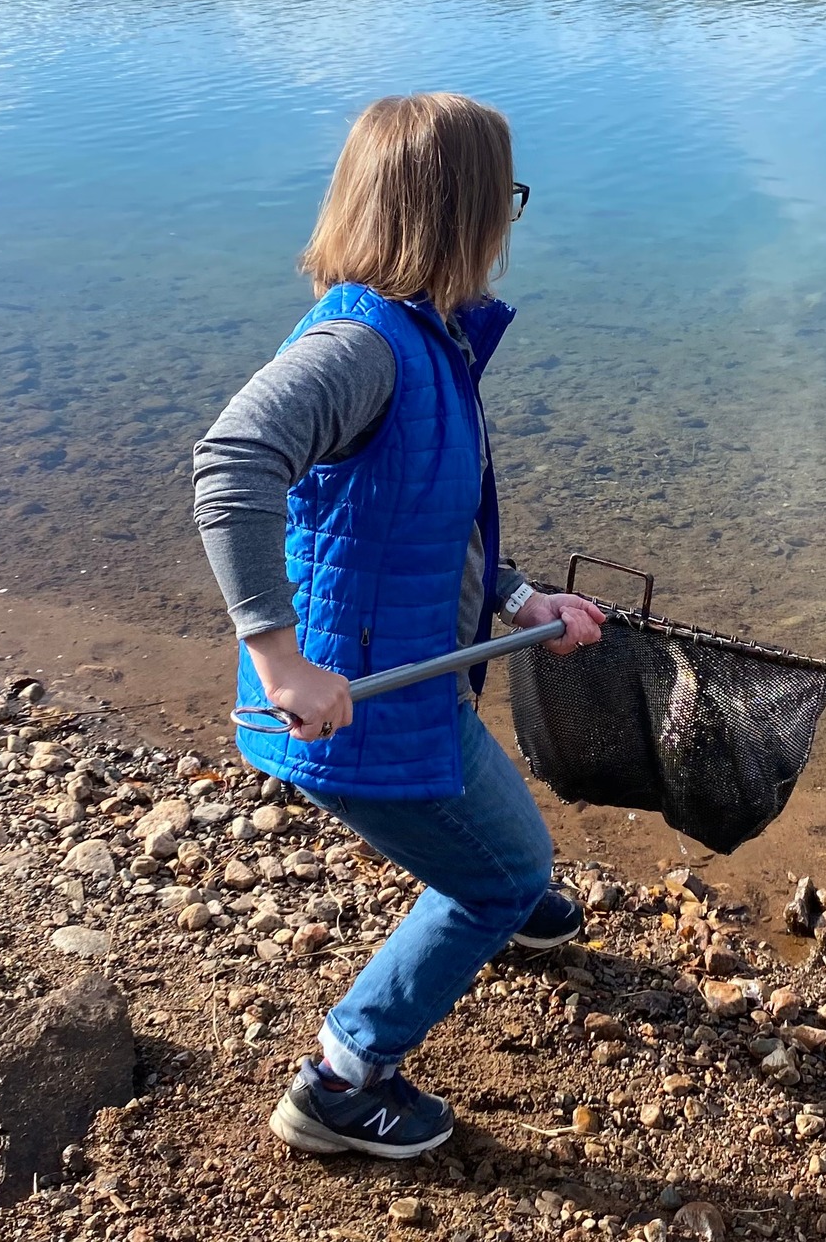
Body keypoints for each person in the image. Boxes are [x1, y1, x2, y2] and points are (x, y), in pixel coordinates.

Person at [193, 92, 604, 1161]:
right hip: (355, 705)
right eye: (504, 200)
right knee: (508, 870)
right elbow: (232, 459)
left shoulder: (425, 337)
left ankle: (499, 897)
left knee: (505, 858)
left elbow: (428, 513)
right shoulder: (361, 346)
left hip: (406, 675)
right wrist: (278, 656)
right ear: (463, 212)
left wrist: (521, 600)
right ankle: (343, 1078)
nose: (509, 223)